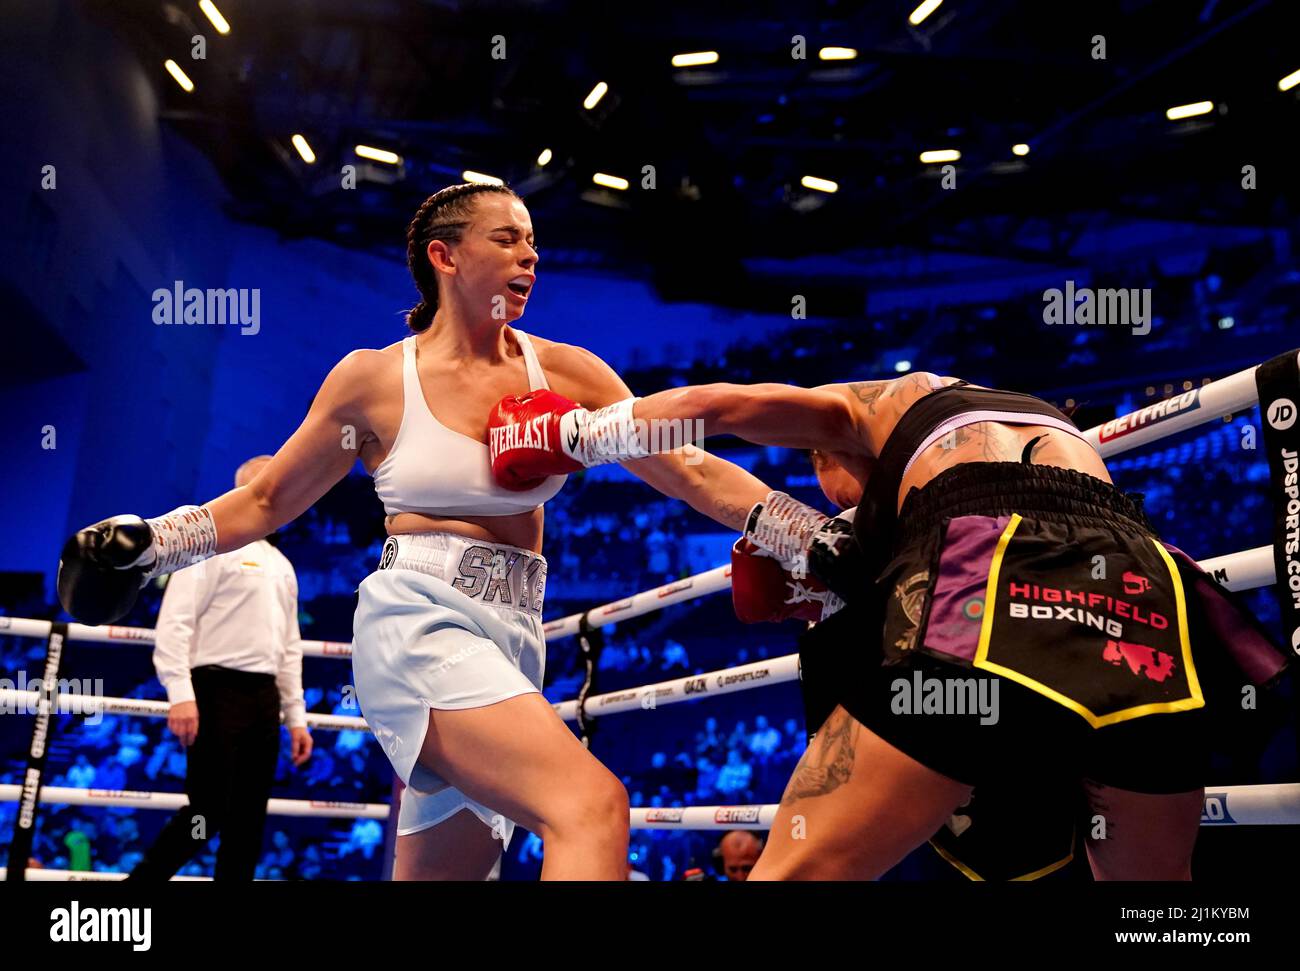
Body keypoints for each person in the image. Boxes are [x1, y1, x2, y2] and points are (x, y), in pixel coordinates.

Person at [58, 182, 776, 881]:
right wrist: (151, 541)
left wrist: (797, 529)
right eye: (507, 239)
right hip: (419, 625)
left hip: (515, 634)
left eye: (533, 242)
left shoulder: (566, 370)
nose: (530, 256)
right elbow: (267, 500)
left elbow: (687, 467)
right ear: (446, 256)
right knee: (589, 805)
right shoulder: (373, 381)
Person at [489, 369, 1289, 879]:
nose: (834, 503)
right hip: (1144, 599)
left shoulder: (882, 402)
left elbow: (713, 410)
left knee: (794, 867)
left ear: (831, 442)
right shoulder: (1026, 429)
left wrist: (572, 436)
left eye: (824, 479)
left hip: (997, 588)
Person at [126, 455, 313, 881]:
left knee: (249, 817)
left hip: (264, 697)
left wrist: (296, 719)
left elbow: (289, 647)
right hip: (214, 689)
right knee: (207, 811)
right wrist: (181, 695)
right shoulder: (209, 547)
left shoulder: (282, 565)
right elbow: (174, 623)